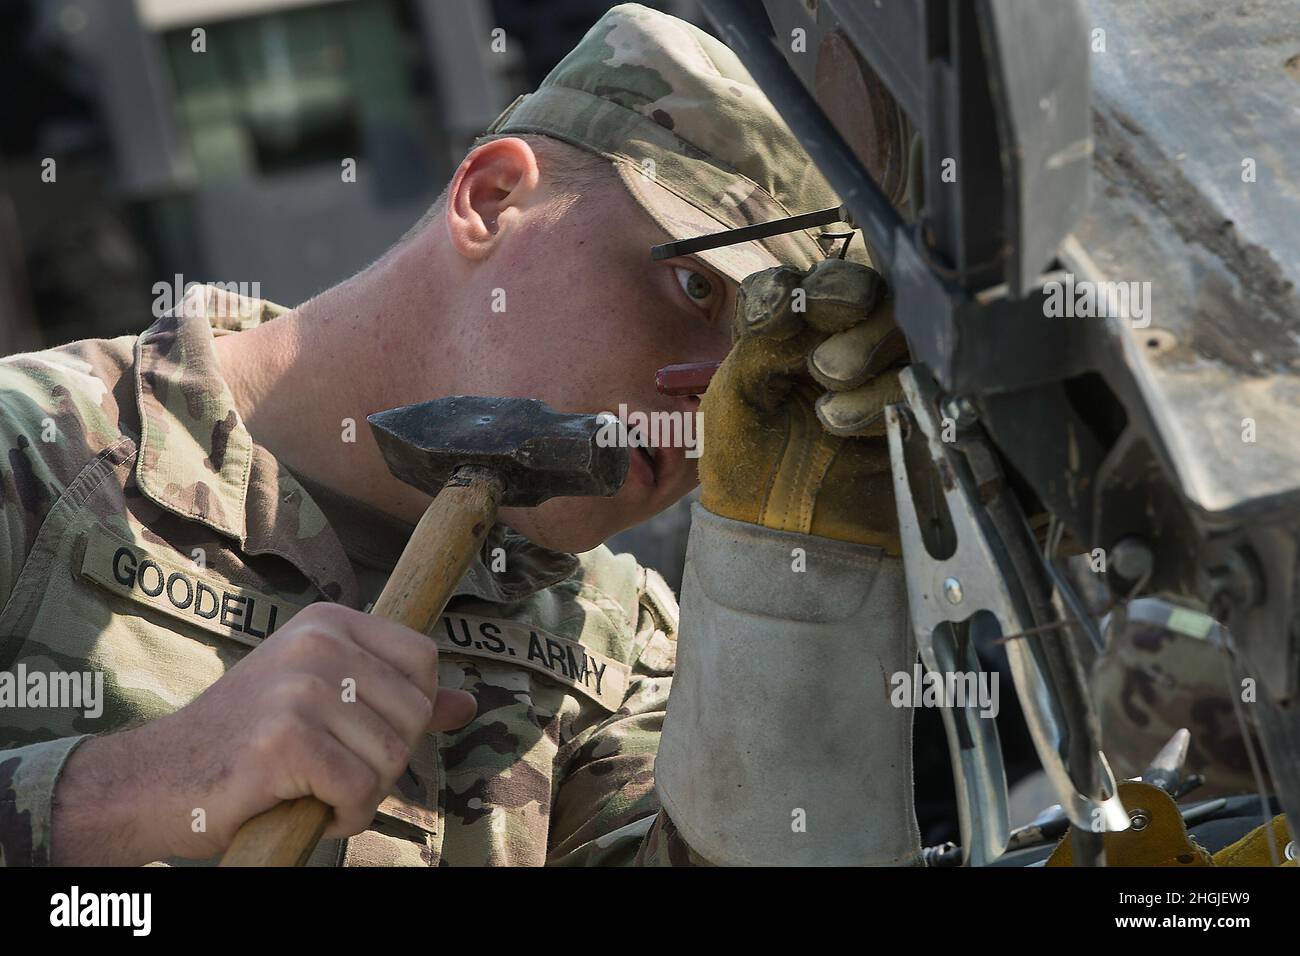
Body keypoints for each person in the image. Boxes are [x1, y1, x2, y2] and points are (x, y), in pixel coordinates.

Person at [0, 3, 912, 867]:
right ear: (492, 194)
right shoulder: (35, 453)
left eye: (766, 358)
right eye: (697, 289)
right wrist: (134, 788)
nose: (717, 398)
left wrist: (796, 601)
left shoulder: (624, 642)